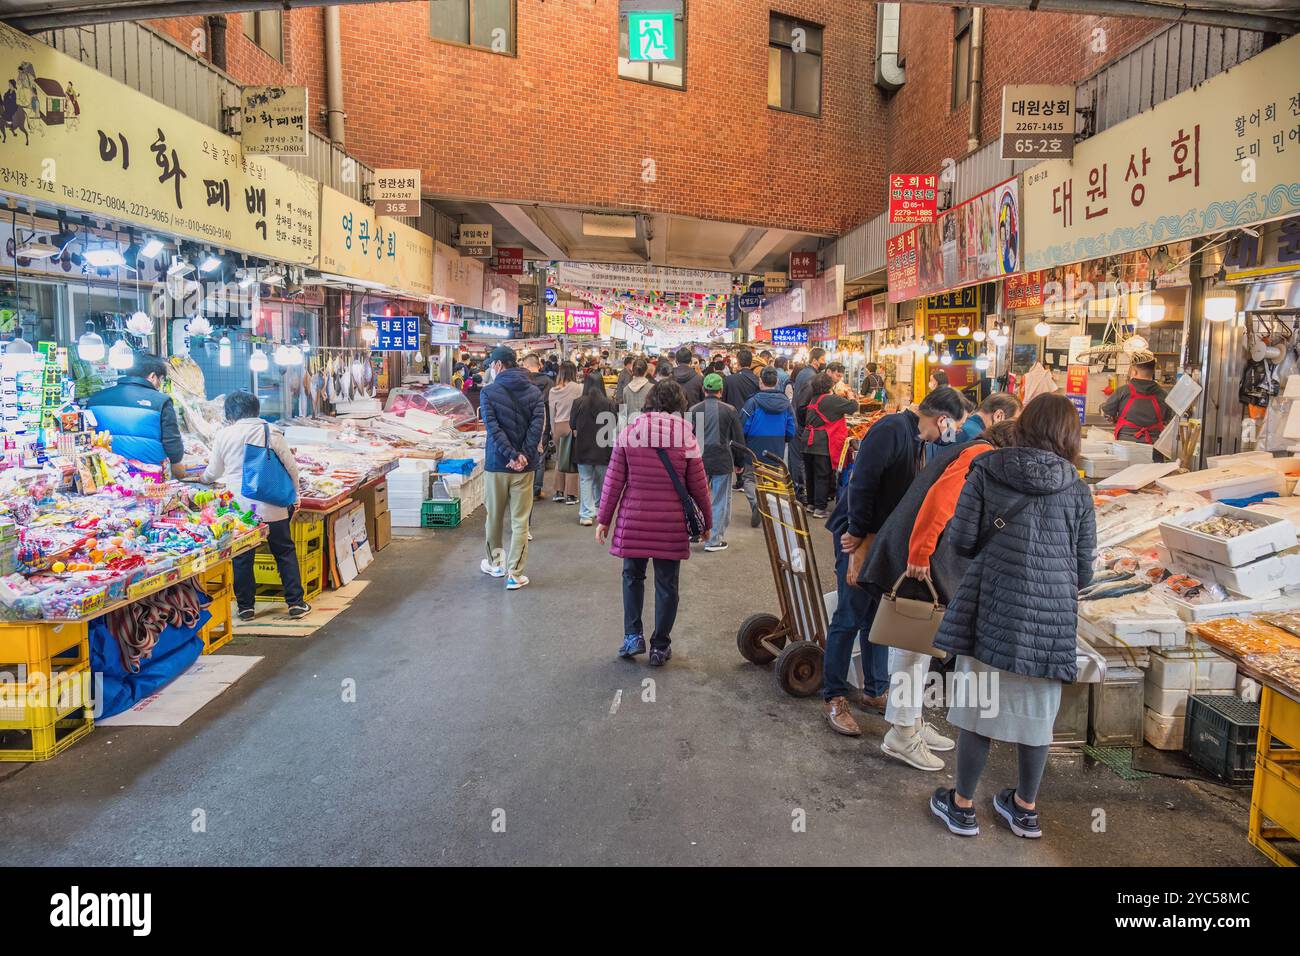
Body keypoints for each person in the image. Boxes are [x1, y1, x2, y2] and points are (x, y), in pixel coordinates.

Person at [928, 395, 1096, 840]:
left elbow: (961, 540)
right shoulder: (1078, 489)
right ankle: (1025, 809)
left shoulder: (988, 470)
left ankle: (962, 807)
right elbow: (1084, 571)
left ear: (1023, 425)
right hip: (1051, 615)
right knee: (1036, 713)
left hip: (992, 604)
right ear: (1068, 436)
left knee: (979, 705)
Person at [862, 420, 1019, 772]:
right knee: (912, 644)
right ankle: (902, 734)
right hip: (918, 560)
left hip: (920, 553)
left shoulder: (973, 450)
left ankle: (910, 722)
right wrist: (919, 553)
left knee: (918, 647)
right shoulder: (980, 454)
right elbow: (940, 501)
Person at [821, 386, 966, 737]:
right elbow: (862, 485)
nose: (955, 433)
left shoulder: (918, 439)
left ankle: (875, 689)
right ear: (942, 419)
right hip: (862, 537)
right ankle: (834, 696)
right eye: (956, 425)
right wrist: (856, 539)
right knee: (850, 616)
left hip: (882, 542)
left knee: (876, 617)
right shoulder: (890, 430)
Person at [596, 379, 712, 667]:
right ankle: (660, 646)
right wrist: (707, 522)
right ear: (679, 406)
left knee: (632, 577)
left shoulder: (629, 431)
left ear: (649, 401)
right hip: (670, 524)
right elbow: (699, 486)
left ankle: (633, 636)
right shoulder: (686, 436)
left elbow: (613, 481)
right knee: (667, 584)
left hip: (633, 520)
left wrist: (603, 519)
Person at [203, 391, 310, 620]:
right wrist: (295, 494)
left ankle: (246, 608)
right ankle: (295, 603)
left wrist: (202, 479)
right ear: (256, 409)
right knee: (284, 552)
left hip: (239, 507)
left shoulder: (224, 435)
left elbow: (214, 472)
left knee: (242, 556)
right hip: (272, 503)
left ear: (230, 413)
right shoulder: (270, 431)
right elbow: (291, 466)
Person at [479, 346, 545, 591]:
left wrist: (510, 454)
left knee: (494, 517)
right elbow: (536, 428)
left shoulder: (488, 393)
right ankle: (515, 574)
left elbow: (492, 429)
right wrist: (524, 456)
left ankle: (495, 564)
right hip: (525, 469)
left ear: (497, 366)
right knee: (520, 521)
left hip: (497, 464)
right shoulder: (535, 392)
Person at [85, 352, 187, 478]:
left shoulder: (94, 399)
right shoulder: (161, 401)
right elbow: (171, 439)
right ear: (153, 376)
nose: (159, 386)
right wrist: (177, 463)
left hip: (107, 474)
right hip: (149, 476)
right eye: (160, 380)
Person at [688, 373, 745, 552]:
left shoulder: (693, 410)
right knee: (720, 500)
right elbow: (738, 439)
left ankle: (695, 532)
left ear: (704, 389)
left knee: (696, 498)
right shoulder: (730, 410)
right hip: (722, 460)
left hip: (698, 460)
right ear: (721, 390)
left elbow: (687, 438)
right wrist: (739, 462)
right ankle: (713, 540)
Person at [800, 372, 858, 518]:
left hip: (808, 441)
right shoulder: (830, 400)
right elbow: (853, 407)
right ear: (829, 385)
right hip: (821, 442)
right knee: (822, 475)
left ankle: (812, 504)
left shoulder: (814, 399)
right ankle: (820, 508)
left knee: (811, 474)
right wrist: (851, 394)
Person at [740, 367, 796, 499]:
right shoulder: (786, 404)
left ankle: (756, 503)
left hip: (754, 447)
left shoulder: (752, 402)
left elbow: (743, 426)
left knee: (750, 479)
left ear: (760, 382)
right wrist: (785, 439)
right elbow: (791, 429)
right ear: (777, 382)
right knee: (772, 481)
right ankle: (767, 508)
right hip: (776, 448)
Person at [570, 371, 617, 527]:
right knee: (602, 482)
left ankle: (586, 515)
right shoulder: (610, 403)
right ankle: (599, 510)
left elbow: (572, 425)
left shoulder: (578, 402)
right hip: (604, 449)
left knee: (586, 480)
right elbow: (615, 425)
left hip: (583, 448)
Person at [1101, 357, 1171, 445]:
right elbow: (1167, 421)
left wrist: (1114, 420)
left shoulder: (1123, 391)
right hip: (1154, 445)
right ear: (1153, 372)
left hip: (1126, 445)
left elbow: (1107, 415)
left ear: (1134, 371)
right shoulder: (1163, 395)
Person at [547, 361, 582, 504]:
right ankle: (571, 495)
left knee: (560, 459)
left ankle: (558, 492)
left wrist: (552, 430)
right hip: (571, 426)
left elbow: (551, 413)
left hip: (557, 426)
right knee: (572, 460)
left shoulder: (553, 391)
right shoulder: (579, 388)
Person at [521, 352, 553, 500]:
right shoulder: (548, 381)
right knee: (540, 454)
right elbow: (550, 402)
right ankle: (536, 490)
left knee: (523, 452)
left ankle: (523, 488)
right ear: (538, 365)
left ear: (526, 365)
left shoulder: (522, 380)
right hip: (542, 422)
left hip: (523, 421)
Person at [622, 356, 652, 423]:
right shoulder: (652, 388)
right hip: (647, 427)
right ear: (646, 371)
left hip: (631, 427)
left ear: (633, 370)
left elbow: (623, 414)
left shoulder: (625, 389)